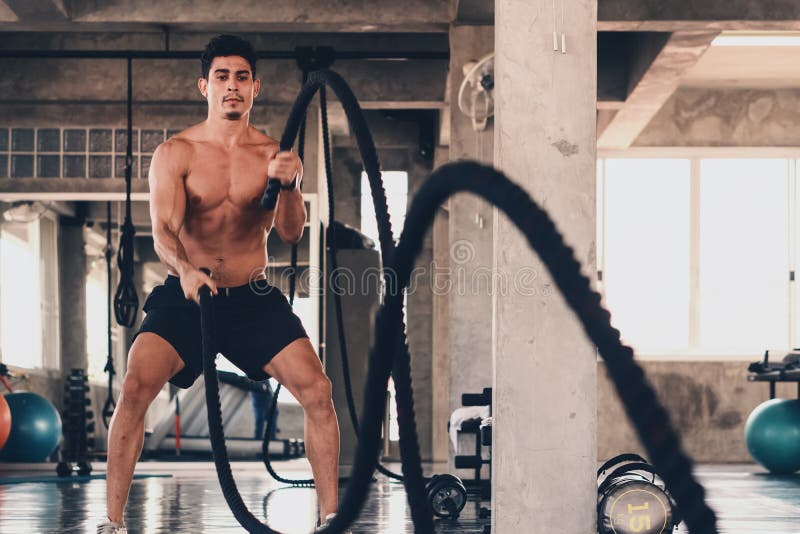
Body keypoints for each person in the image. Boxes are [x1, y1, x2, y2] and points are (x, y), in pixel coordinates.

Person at [98, 35, 347, 534]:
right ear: (204, 86)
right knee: (134, 388)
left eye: (241, 78)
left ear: (255, 87)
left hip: (252, 297)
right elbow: (163, 232)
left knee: (318, 391)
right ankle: (113, 522)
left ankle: (330, 519)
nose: (231, 87)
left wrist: (293, 185)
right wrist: (186, 270)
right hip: (185, 296)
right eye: (221, 77)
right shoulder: (176, 152)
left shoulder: (274, 153)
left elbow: (292, 232)